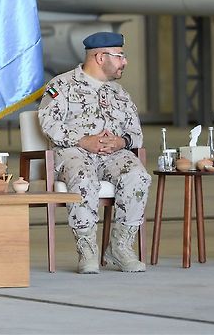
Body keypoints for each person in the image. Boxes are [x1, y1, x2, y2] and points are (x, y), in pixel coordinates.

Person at [38, 31, 150, 274]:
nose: (125, 61)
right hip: (74, 152)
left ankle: (120, 247)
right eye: (120, 56)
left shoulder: (119, 93)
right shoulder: (61, 85)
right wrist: (83, 140)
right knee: (84, 176)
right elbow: (49, 124)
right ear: (100, 57)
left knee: (138, 176)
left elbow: (136, 133)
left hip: (113, 155)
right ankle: (87, 248)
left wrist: (121, 141)